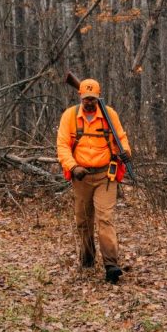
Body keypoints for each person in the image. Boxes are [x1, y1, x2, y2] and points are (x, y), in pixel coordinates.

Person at [56, 78, 132, 284]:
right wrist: (73, 166)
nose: (90, 102)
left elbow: (121, 138)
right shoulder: (70, 116)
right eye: (86, 98)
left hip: (105, 176)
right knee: (83, 221)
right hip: (80, 176)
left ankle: (111, 265)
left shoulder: (109, 115)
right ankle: (88, 258)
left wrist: (125, 152)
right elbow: (62, 145)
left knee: (105, 218)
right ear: (80, 96)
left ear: (98, 97)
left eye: (93, 98)